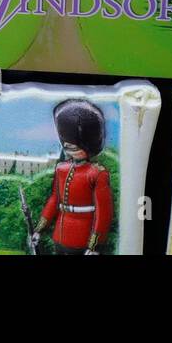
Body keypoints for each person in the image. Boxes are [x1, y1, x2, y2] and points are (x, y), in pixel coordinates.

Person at [32, 98, 112, 255]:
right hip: (60, 235)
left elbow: (103, 213)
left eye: (75, 146)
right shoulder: (61, 169)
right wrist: (39, 229)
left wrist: (93, 245)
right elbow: (54, 200)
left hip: (82, 237)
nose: (70, 149)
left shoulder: (97, 173)